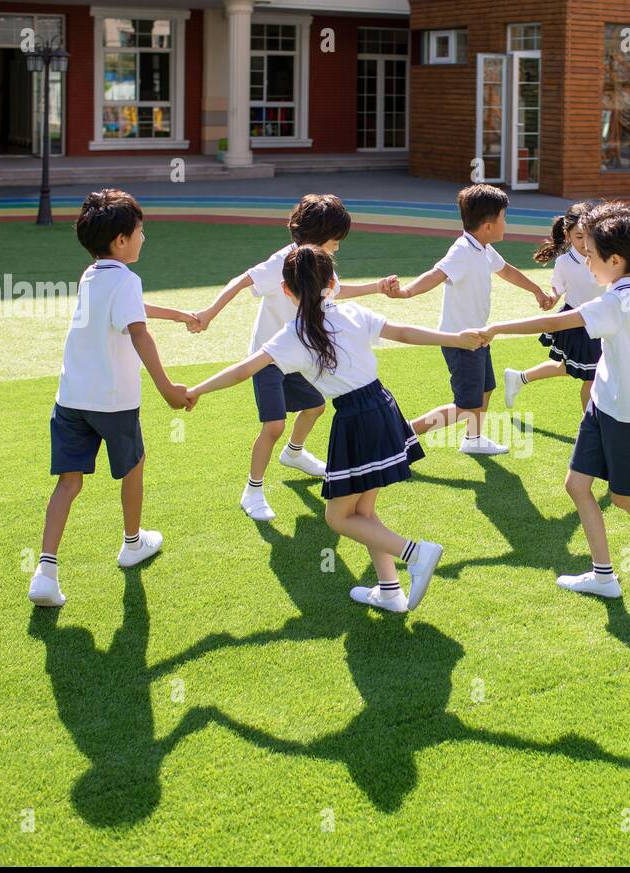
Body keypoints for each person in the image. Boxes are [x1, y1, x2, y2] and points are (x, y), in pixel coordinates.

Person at [188, 245, 485, 613]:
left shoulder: (292, 335)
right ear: (333, 283)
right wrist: (456, 339)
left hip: (356, 421)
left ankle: (416, 553)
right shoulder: (352, 314)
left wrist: (196, 390)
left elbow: (243, 369)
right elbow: (405, 332)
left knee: (337, 516)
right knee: (362, 510)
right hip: (382, 405)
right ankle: (390, 591)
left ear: (286, 290)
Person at [478, 202, 630, 598]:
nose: (587, 264)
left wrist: (497, 327)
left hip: (626, 409)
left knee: (623, 496)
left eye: (591, 257)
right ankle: (603, 575)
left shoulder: (613, 303)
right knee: (577, 485)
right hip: (603, 401)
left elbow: (553, 321)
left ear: (616, 260)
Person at [29, 189, 198, 608]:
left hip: (71, 398)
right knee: (134, 466)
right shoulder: (127, 279)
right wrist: (168, 389)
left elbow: (129, 309)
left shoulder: (93, 274)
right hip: (114, 401)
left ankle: (45, 572)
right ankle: (132, 543)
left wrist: (179, 315)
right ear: (120, 240)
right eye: (140, 231)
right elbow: (138, 330)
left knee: (68, 483)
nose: (144, 237)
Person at [189, 194, 395, 520]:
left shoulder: (318, 264)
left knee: (316, 405)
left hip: (300, 353)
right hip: (269, 355)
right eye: (335, 240)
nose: (338, 247)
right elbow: (241, 281)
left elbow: (336, 291)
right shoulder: (285, 262)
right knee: (273, 425)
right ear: (318, 236)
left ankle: (294, 453)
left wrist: (377, 287)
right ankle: (252, 491)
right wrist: (210, 312)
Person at [386, 184, 554, 455]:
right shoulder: (462, 250)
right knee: (465, 405)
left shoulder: (483, 248)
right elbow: (436, 273)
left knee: (486, 388)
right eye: (503, 218)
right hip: (460, 341)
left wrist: (536, 290)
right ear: (488, 226)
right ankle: (403, 430)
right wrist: (405, 292)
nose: (506, 224)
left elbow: (507, 271)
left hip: (479, 337)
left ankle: (473, 439)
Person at [503, 200, 604, 412]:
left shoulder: (606, 254)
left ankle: (519, 378)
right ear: (567, 235)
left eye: (590, 234)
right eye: (579, 236)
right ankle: (591, 427)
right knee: (593, 376)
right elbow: (556, 290)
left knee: (568, 367)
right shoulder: (565, 262)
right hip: (577, 323)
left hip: (605, 320)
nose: (585, 242)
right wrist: (549, 299)